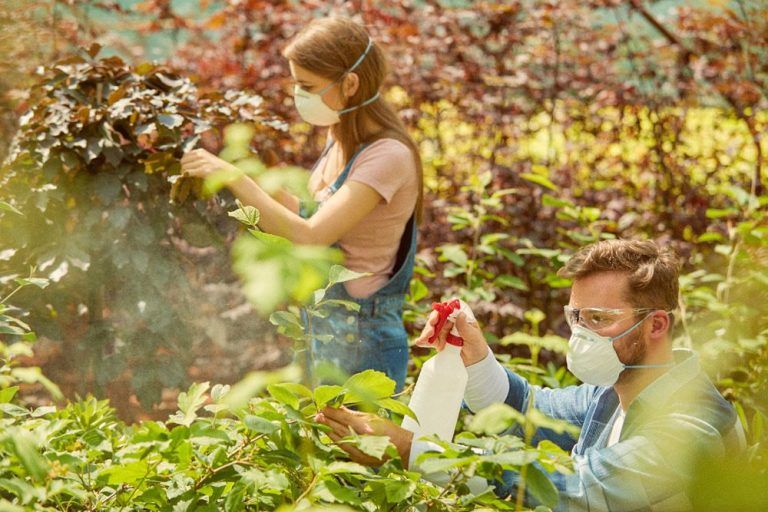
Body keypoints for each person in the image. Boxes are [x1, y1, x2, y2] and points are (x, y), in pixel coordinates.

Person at [316, 239, 745, 510]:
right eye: (576, 316)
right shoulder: (616, 391)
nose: (581, 334)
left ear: (655, 326)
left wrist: (412, 452)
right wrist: (472, 351)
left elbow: (576, 490)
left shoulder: (691, 425)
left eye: (599, 318)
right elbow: (529, 413)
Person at [180, 16, 423, 391]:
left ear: (351, 84)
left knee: (356, 449)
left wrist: (234, 178)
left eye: (307, 86)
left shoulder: (388, 155)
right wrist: (247, 174)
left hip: (363, 341)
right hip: (323, 326)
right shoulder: (340, 138)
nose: (298, 96)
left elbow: (310, 235)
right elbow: (312, 214)